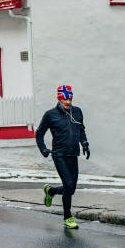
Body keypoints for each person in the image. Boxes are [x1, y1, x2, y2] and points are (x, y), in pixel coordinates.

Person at [35, 84, 90, 230]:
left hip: (73, 154)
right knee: (68, 185)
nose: (68, 102)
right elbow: (39, 133)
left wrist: (84, 143)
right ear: (59, 98)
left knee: (71, 189)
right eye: (64, 99)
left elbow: (81, 129)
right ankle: (67, 217)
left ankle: (51, 191)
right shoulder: (50, 115)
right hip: (59, 154)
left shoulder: (77, 112)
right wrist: (43, 149)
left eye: (70, 98)